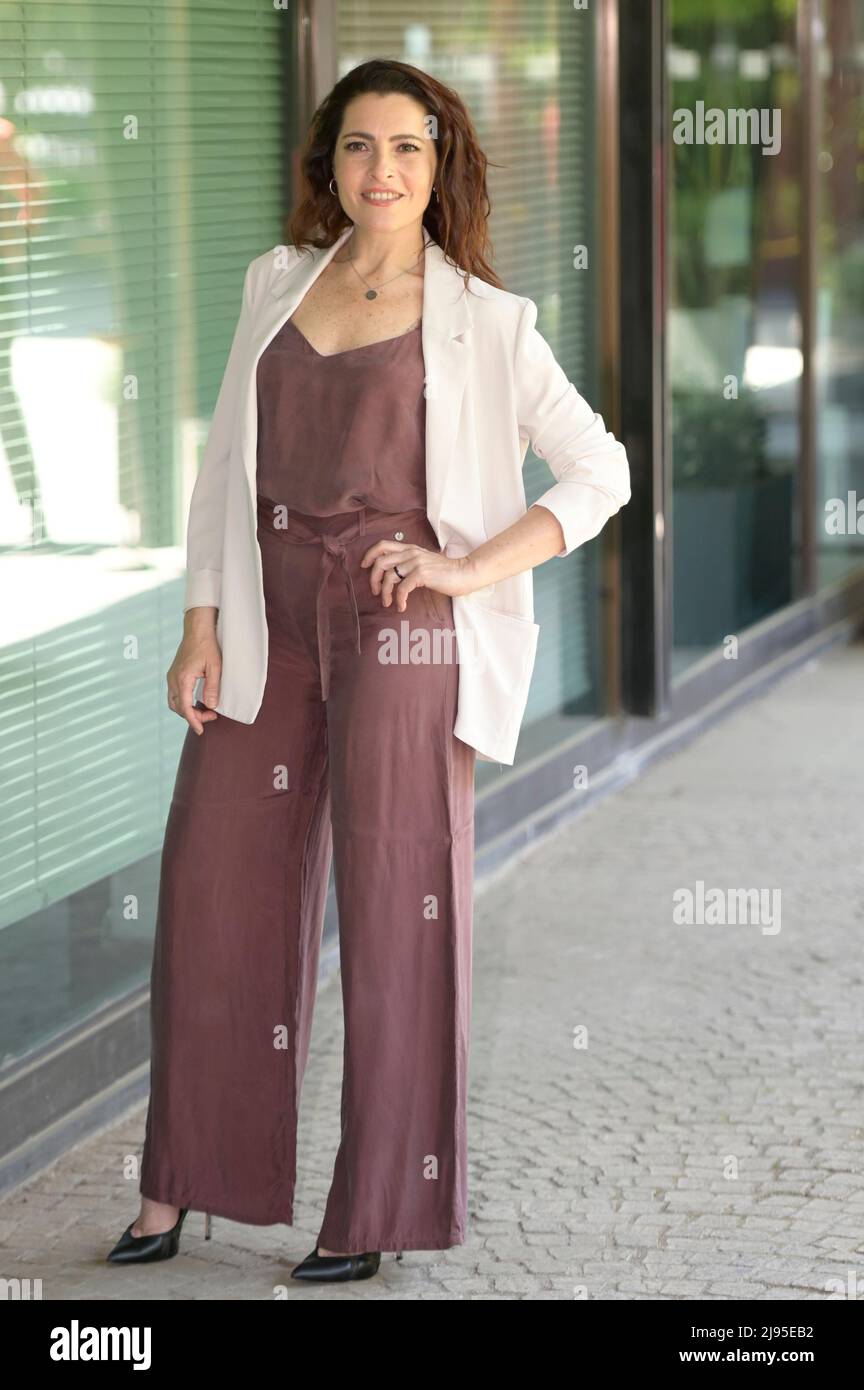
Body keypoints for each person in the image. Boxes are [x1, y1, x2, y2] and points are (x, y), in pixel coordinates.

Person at [106, 58, 630, 1283]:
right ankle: (180, 1180)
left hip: (403, 627)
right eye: (356, 147)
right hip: (265, 617)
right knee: (211, 891)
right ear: (327, 164)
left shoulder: (489, 321)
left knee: (402, 907)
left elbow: (599, 470)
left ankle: (376, 1208)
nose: (379, 171)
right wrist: (200, 619)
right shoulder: (273, 284)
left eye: (405, 147)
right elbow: (220, 465)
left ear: (440, 164)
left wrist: (465, 571)